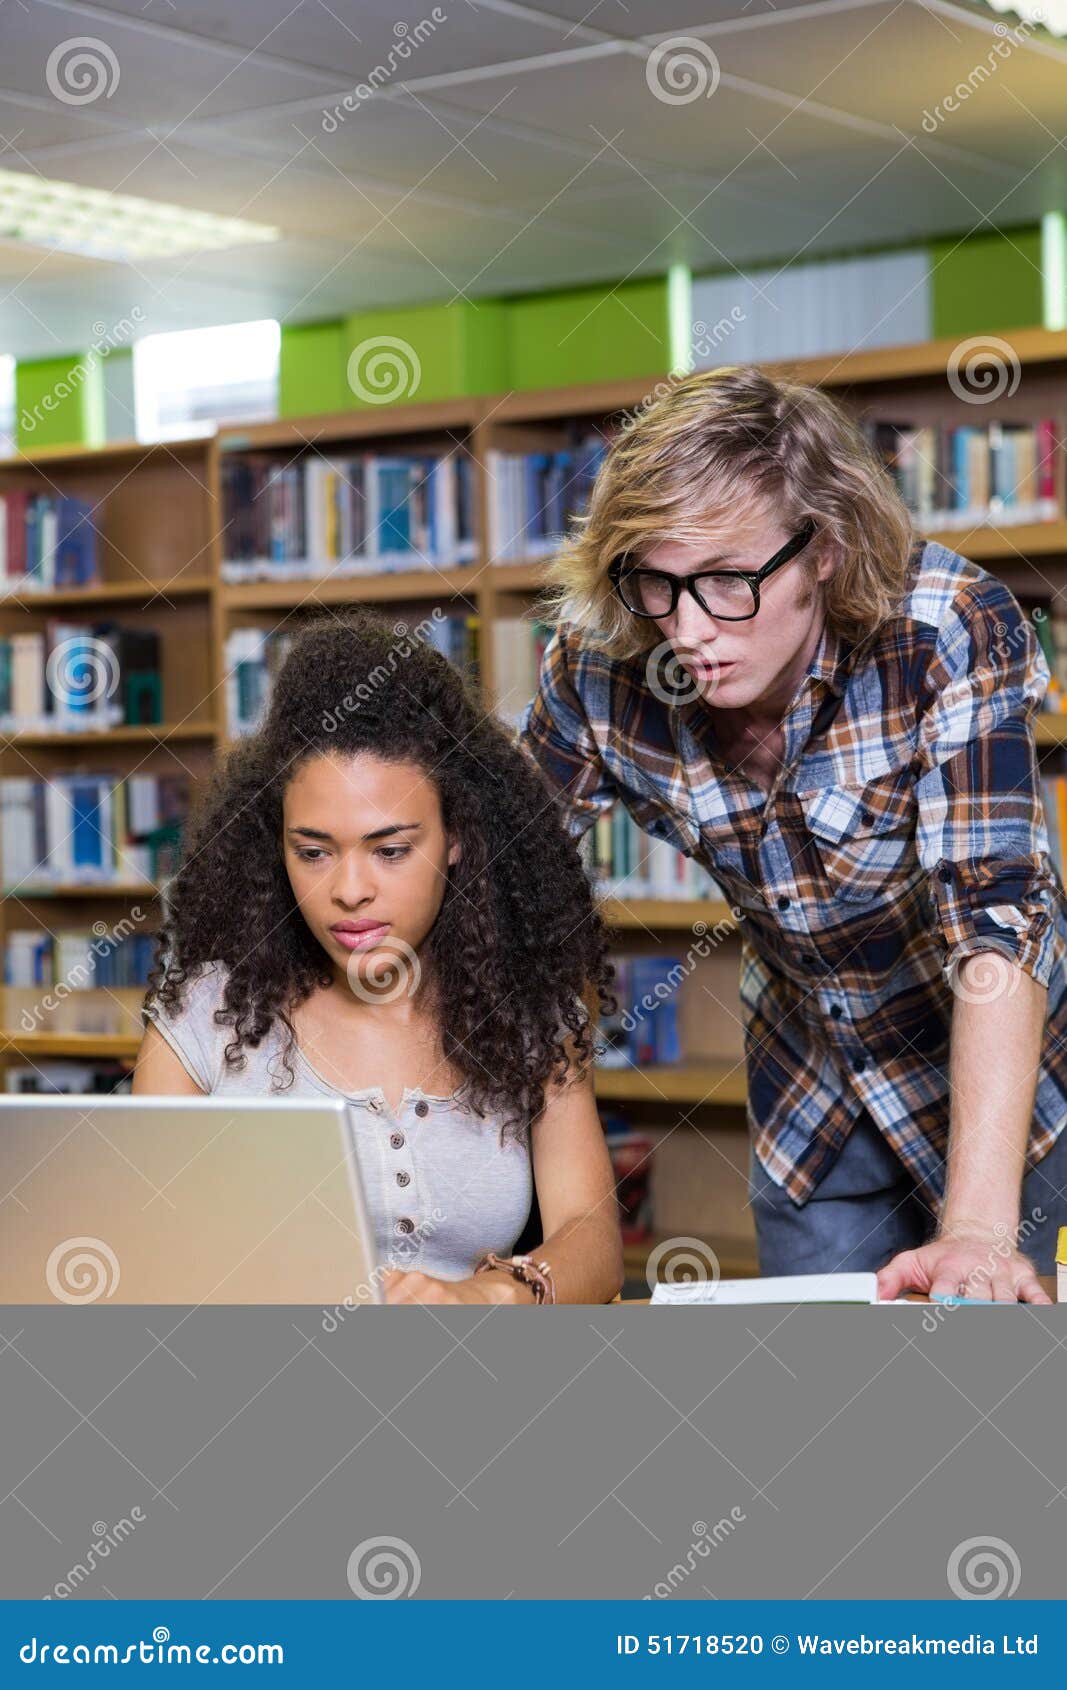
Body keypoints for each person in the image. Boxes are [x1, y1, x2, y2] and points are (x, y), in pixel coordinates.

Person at [519, 363, 1067, 1304]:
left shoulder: (943, 624)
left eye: (727, 581)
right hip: (815, 1103)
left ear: (824, 548)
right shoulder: (599, 665)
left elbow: (998, 917)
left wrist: (977, 1229)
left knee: (1013, 1375)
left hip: (1022, 1100)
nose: (687, 630)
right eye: (657, 582)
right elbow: (500, 875)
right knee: (820, 1393)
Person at [134, 612, 623, 1306]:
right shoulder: (206, 1016)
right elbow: (146, 1247)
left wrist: (489, 1299)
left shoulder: (531, 1013)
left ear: (457, 837)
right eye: (312, 852)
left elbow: (590, 1238)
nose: (349, 890)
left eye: (390, 850)